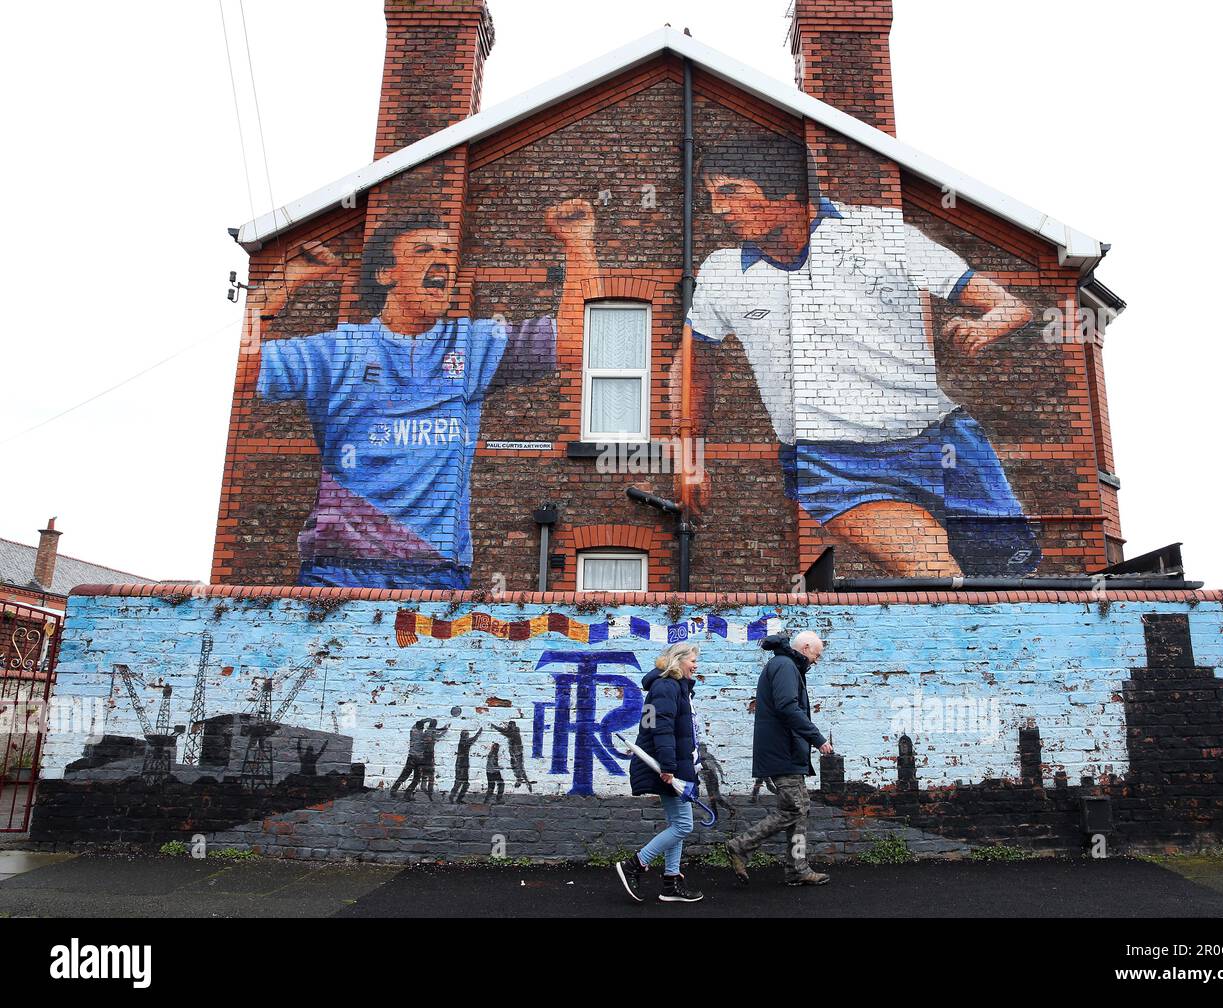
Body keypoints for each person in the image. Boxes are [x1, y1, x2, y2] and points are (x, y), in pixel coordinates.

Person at [676, 134, 1040, 578]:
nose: (719, 209)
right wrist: (689, 459)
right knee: (938, 578)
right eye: (712, 196)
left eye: (732, 192)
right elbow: (693, 366)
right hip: (832, 466)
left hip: (946, 445)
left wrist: (985, 326)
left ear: (788, 190)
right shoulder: (721, 273)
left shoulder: (884, 235)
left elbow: (1009, 306)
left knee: (1007, 582)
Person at [242, 199, 598, 588]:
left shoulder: (472, 344)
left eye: (448, 252)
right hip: (336, 571)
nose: (443, 261)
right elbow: (249, 371)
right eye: (423, 251)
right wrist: (279, 288)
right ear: (386, 273)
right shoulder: (339, 349)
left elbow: (571, 342)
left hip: (437, 573)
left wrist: (577, 244)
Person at [725, 631, 833, 886]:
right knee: (794, 808)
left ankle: (797, 868)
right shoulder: (784, 666)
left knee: (801, 809)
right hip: (782, 751)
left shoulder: (786, 665)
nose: (816, 661)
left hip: (789, 751)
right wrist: (817, 739)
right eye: (816, 655)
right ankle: (741, 845)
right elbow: (787, 707)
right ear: (805, 648)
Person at [614, 643, 705, 904]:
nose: (696, 664)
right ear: (678, 661)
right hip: (669, 766)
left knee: (677, 824)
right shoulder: (666, 687)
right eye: (692, 660)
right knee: (684, 825)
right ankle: (635, 864)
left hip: (675, 764)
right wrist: (668, 767)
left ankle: (670, 883)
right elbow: (660, 729)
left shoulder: (674, 687)